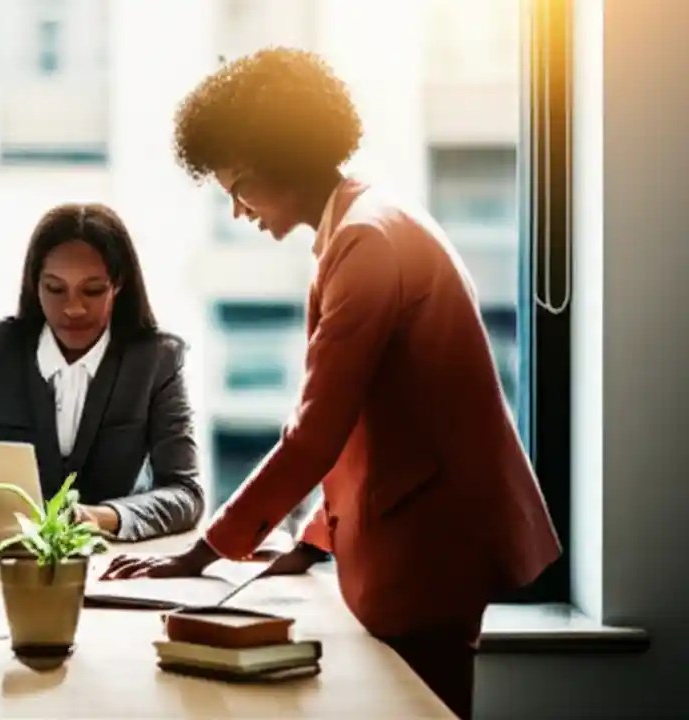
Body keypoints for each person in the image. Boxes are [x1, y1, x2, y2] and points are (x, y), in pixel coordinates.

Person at [101, 48, 561, 718]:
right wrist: (312, 541)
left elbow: (316, 435)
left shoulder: (367, 243)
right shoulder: (362, 225)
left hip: (431, 550)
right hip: (420, 540)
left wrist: (202, 554)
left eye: (240, 187)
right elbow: (376, 423)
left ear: (281, 160)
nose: (238, 211)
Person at [0, 202, 204, 541]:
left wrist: (104, 516)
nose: (73, 308)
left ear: (118, 285)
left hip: (115, 561)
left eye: (92, 290)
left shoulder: (157, 360)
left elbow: (185, 493)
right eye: (55, 289)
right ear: (35, 285)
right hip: (3, 556)